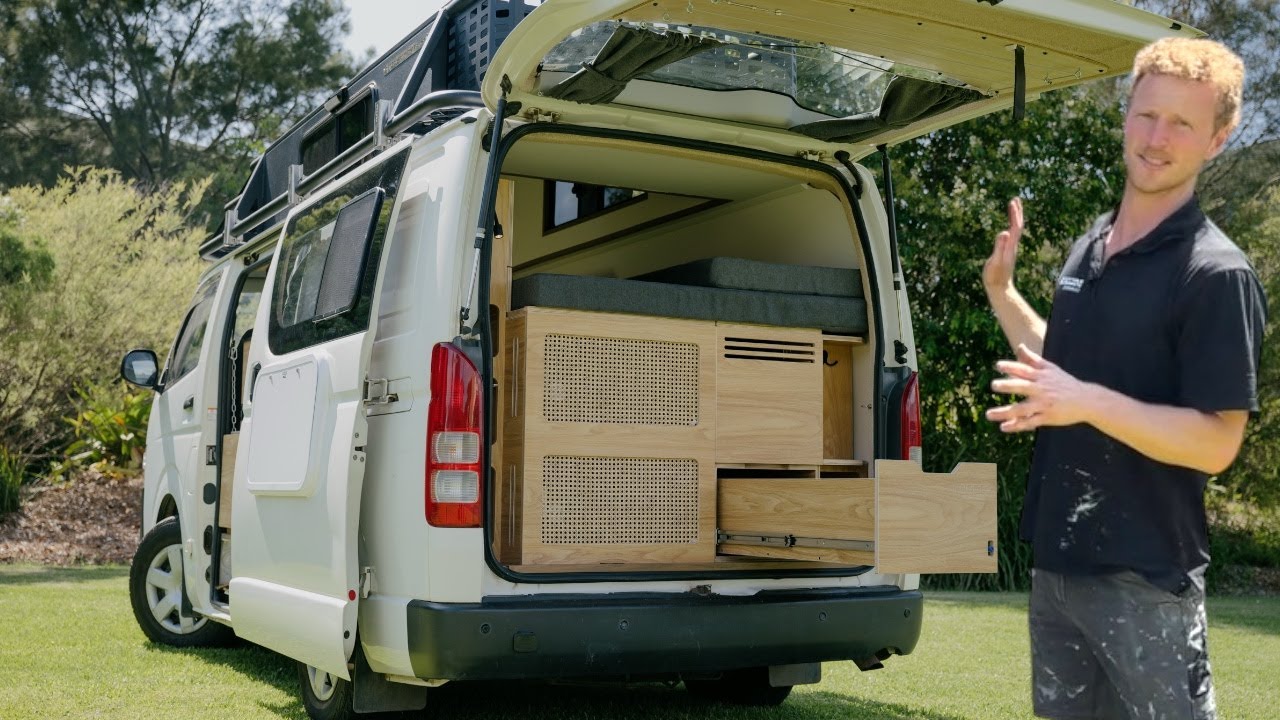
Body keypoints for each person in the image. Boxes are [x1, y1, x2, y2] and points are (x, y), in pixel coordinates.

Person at [981, 37, 1266, 720]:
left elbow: (1217, 441)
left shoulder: (1215, 274)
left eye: (1182, 124)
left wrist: (1085, 401)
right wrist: (1003, 293)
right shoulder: (1094, 245)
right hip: (1059, 566)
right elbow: (1066, 378)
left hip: (1146, 580)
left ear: (1218, 141)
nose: (1156, 138)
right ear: (1126, 112)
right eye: (1147, 115)